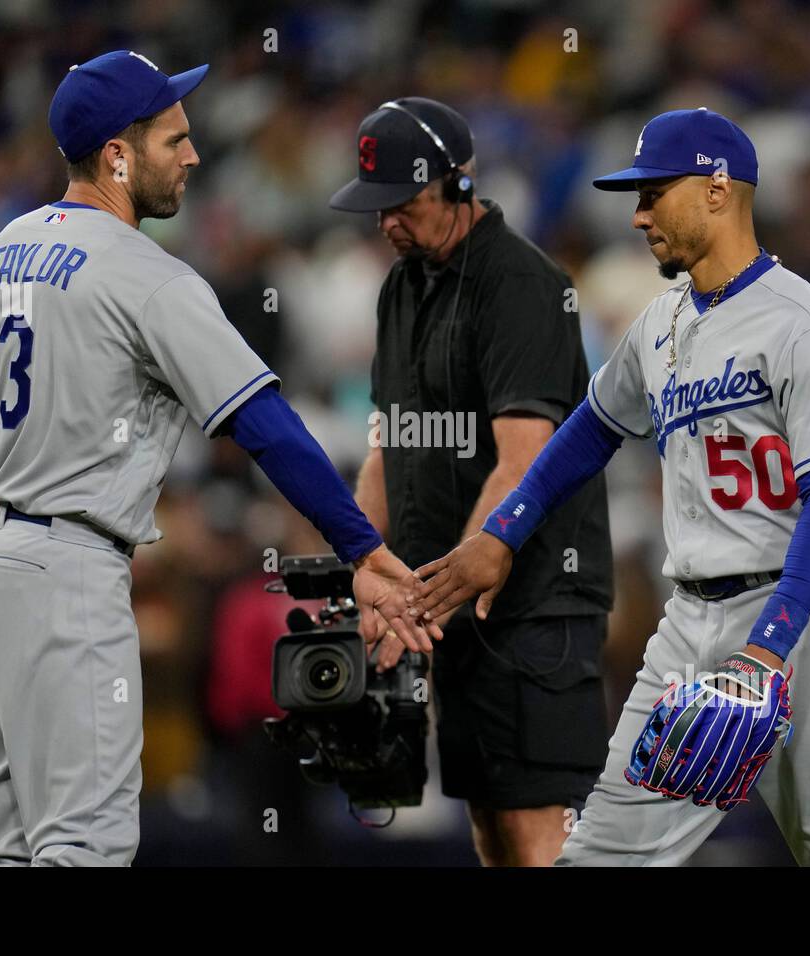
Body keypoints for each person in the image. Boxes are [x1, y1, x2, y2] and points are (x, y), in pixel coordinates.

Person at [0, 51, 438, 866]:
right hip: (66, 571)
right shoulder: (146, 276)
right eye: (174, 139)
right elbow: (264, 424)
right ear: (117, 156)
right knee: (83, 849)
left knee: (15, 853)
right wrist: (363, 549)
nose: (194, 155)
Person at [412, 108, 810, 866]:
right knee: (599, 858)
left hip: (807, 619)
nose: (638, 215)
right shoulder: (658, 324)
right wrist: (502, 533)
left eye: (653, 194)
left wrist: (770, 646)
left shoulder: (802, 323)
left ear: (717, 190)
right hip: (691, 623)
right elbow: (591, 428)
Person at [328, 97, 613, 866]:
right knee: (489, 827)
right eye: (377, 206)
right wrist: (363, 567)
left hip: (532, 607)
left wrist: (425, 599)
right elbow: (387, 447)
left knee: (535, 830)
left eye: (403, 202)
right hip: (451, 606)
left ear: (457, 183)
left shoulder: (520, 283)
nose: (387, 222)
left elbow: (524, 460)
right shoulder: (402, 287)